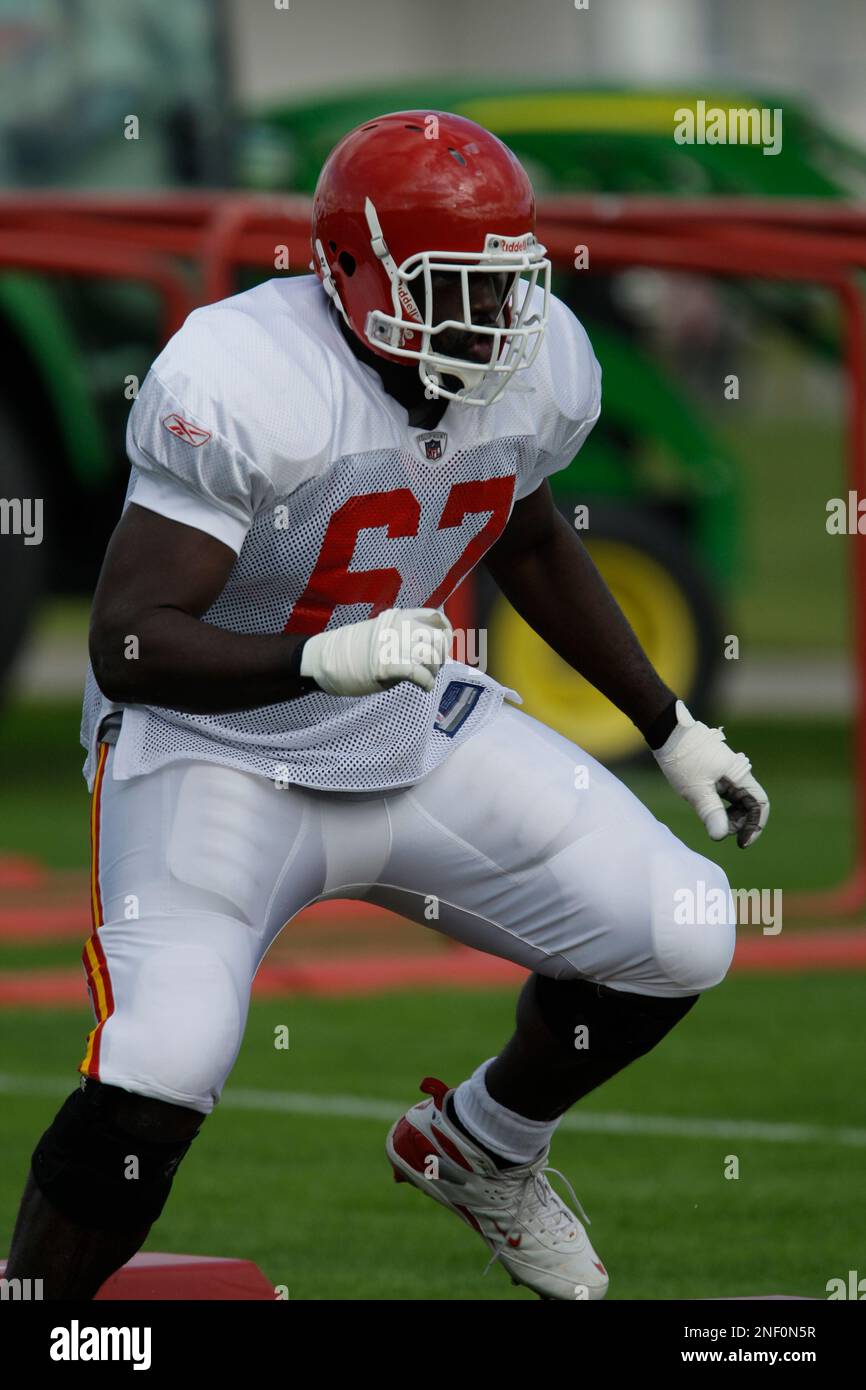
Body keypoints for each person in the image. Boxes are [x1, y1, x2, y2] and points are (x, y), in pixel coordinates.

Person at [6, 111, 768, 1301]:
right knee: (165, 1058)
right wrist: (318, 657)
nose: (489, 320)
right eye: (452, 288)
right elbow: (132, 637)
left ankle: (482, 1148)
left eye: (503, 286)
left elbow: (525, 532)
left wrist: (669, 727)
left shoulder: (535, 361)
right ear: (352, 271)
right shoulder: (248, 374)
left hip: (400, 728)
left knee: (680, 924)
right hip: (211, 751)